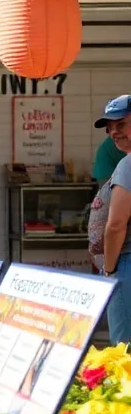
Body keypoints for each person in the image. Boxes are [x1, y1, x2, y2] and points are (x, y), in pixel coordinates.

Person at [89, 95, 131, 343]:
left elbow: (116, 225)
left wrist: (110, 268)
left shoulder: (128, 164)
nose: (114, 133)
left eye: (121, 124)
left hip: (126, 263)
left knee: (125, 353)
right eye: (109, 128)